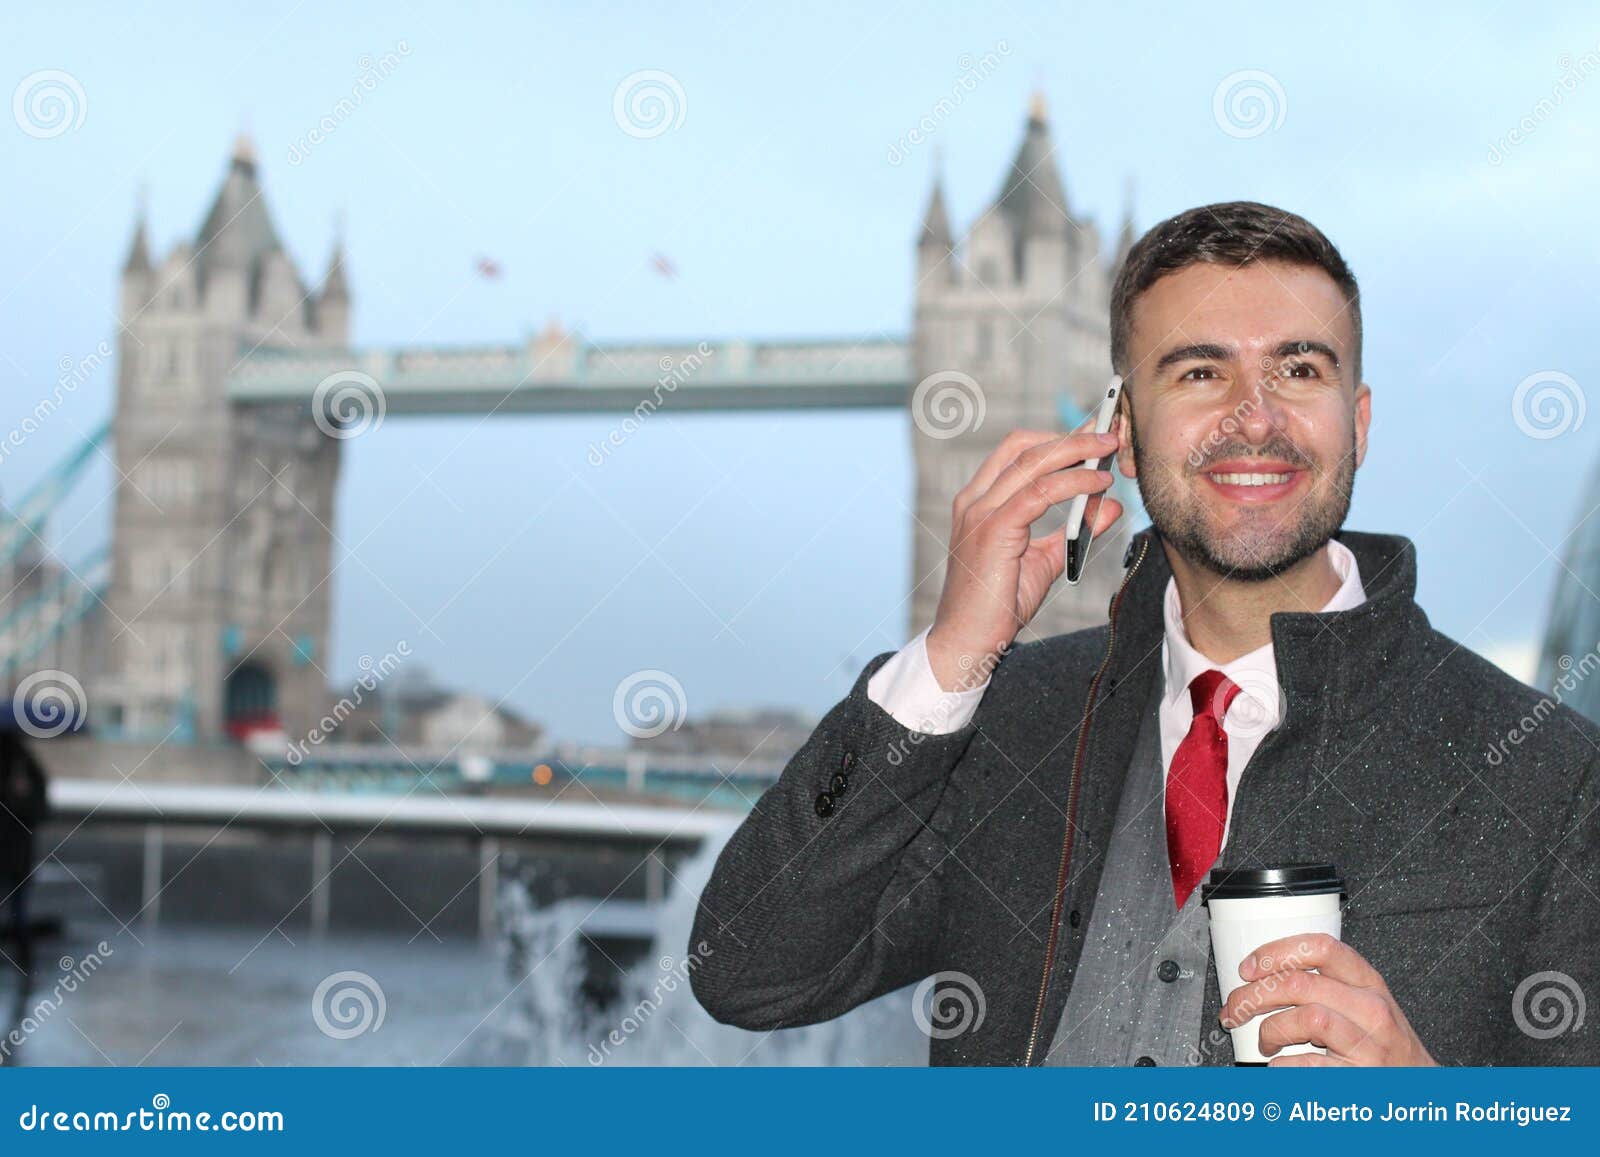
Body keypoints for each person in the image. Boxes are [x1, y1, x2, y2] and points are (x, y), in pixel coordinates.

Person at [689, 201, 1600, 1066]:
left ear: (1356, 424)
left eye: (1300, 369)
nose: (1255, 416)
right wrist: (951, 657)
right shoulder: (1007, 725)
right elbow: (748, 970)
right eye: (1201, 372)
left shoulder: (1553, 776)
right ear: (1119, 434)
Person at [0, 728, 50, 978]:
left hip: (17, 855)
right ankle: (24, 963)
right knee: (19, 911)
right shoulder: (31, 769)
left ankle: (24, 962)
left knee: (19, 911)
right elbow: (41, 812)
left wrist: (20, 798)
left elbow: (39, 812)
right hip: (19, 855)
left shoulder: (28, 771)